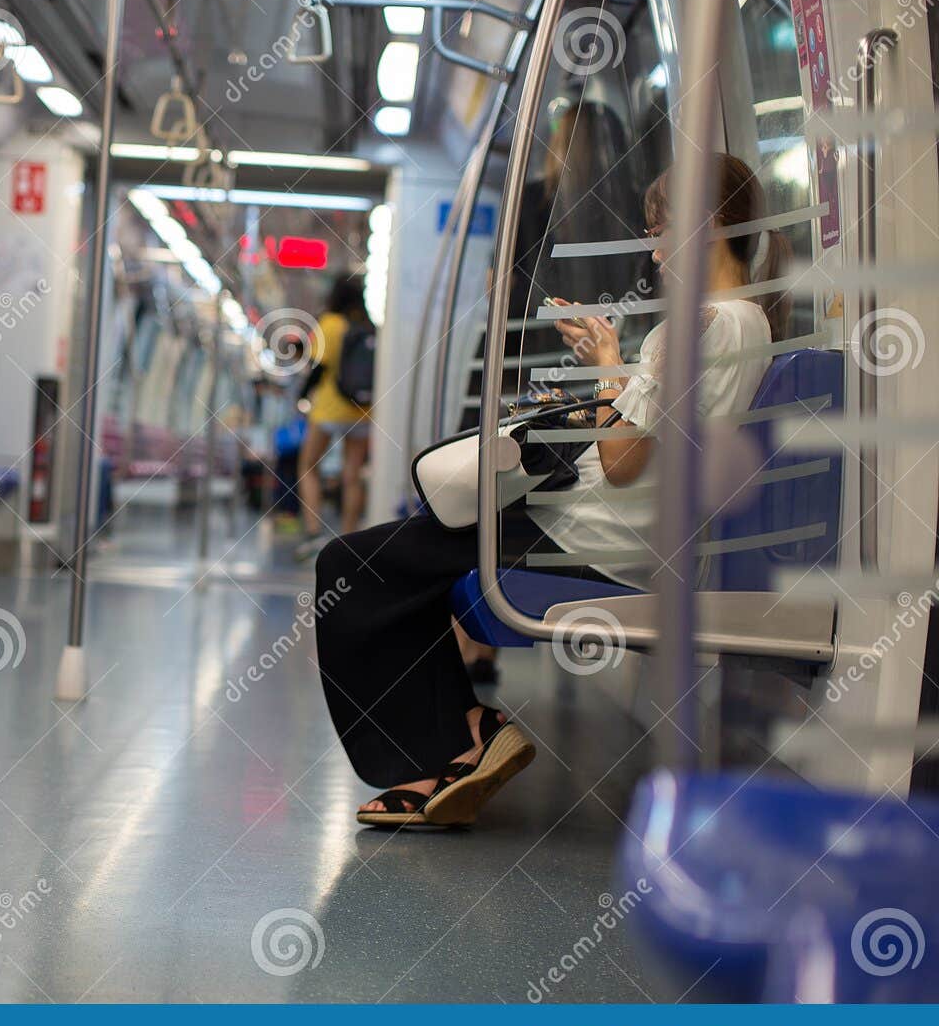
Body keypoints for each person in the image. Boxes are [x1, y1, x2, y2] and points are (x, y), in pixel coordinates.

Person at [314, 153, 787, 828]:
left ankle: (451, 748)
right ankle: (465, 736)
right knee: (400, 566)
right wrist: (613, 363)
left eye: (663, 230)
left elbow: (621, 459)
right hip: (607, 525)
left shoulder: (704, 325)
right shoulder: (740, 322)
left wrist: (605, 372)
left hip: (591, 534)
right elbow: (642, 440)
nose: (656, 253)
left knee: (350, 569)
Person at [293, 273, 372, 561]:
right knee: (352, 475)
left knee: (308, 466)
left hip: (329, 407)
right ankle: (349, 538)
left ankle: (314, 532)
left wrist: (300, 396)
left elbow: (319, 368)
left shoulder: (330, 324)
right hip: (363, 410)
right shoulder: (367, 326)